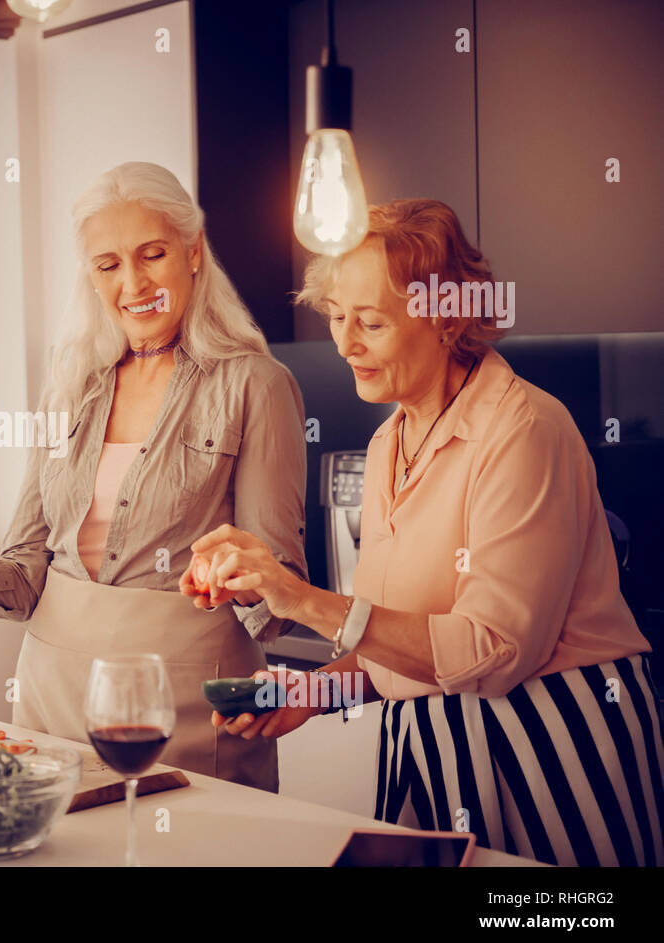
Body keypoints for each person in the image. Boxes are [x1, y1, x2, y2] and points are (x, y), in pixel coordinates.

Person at [0, 162, 308, 788]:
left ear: (193, 252)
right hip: (51, 697)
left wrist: (242, 578)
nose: (134, 282)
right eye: (108, 264)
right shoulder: (72, 388)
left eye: (152, 254)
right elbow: (21, 579)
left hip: (187, 704)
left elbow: (280, 601)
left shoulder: (257, 386)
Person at [190, 199, 664, 865]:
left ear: (446, 317)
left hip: (551, 750)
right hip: (434, 753)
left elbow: (492, 649)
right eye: (335, 315)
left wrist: (300, 598)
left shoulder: (523, 430)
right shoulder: (391, 437)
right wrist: (317, 690)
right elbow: (411, 632)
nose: (345, 342)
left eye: (371, 322)